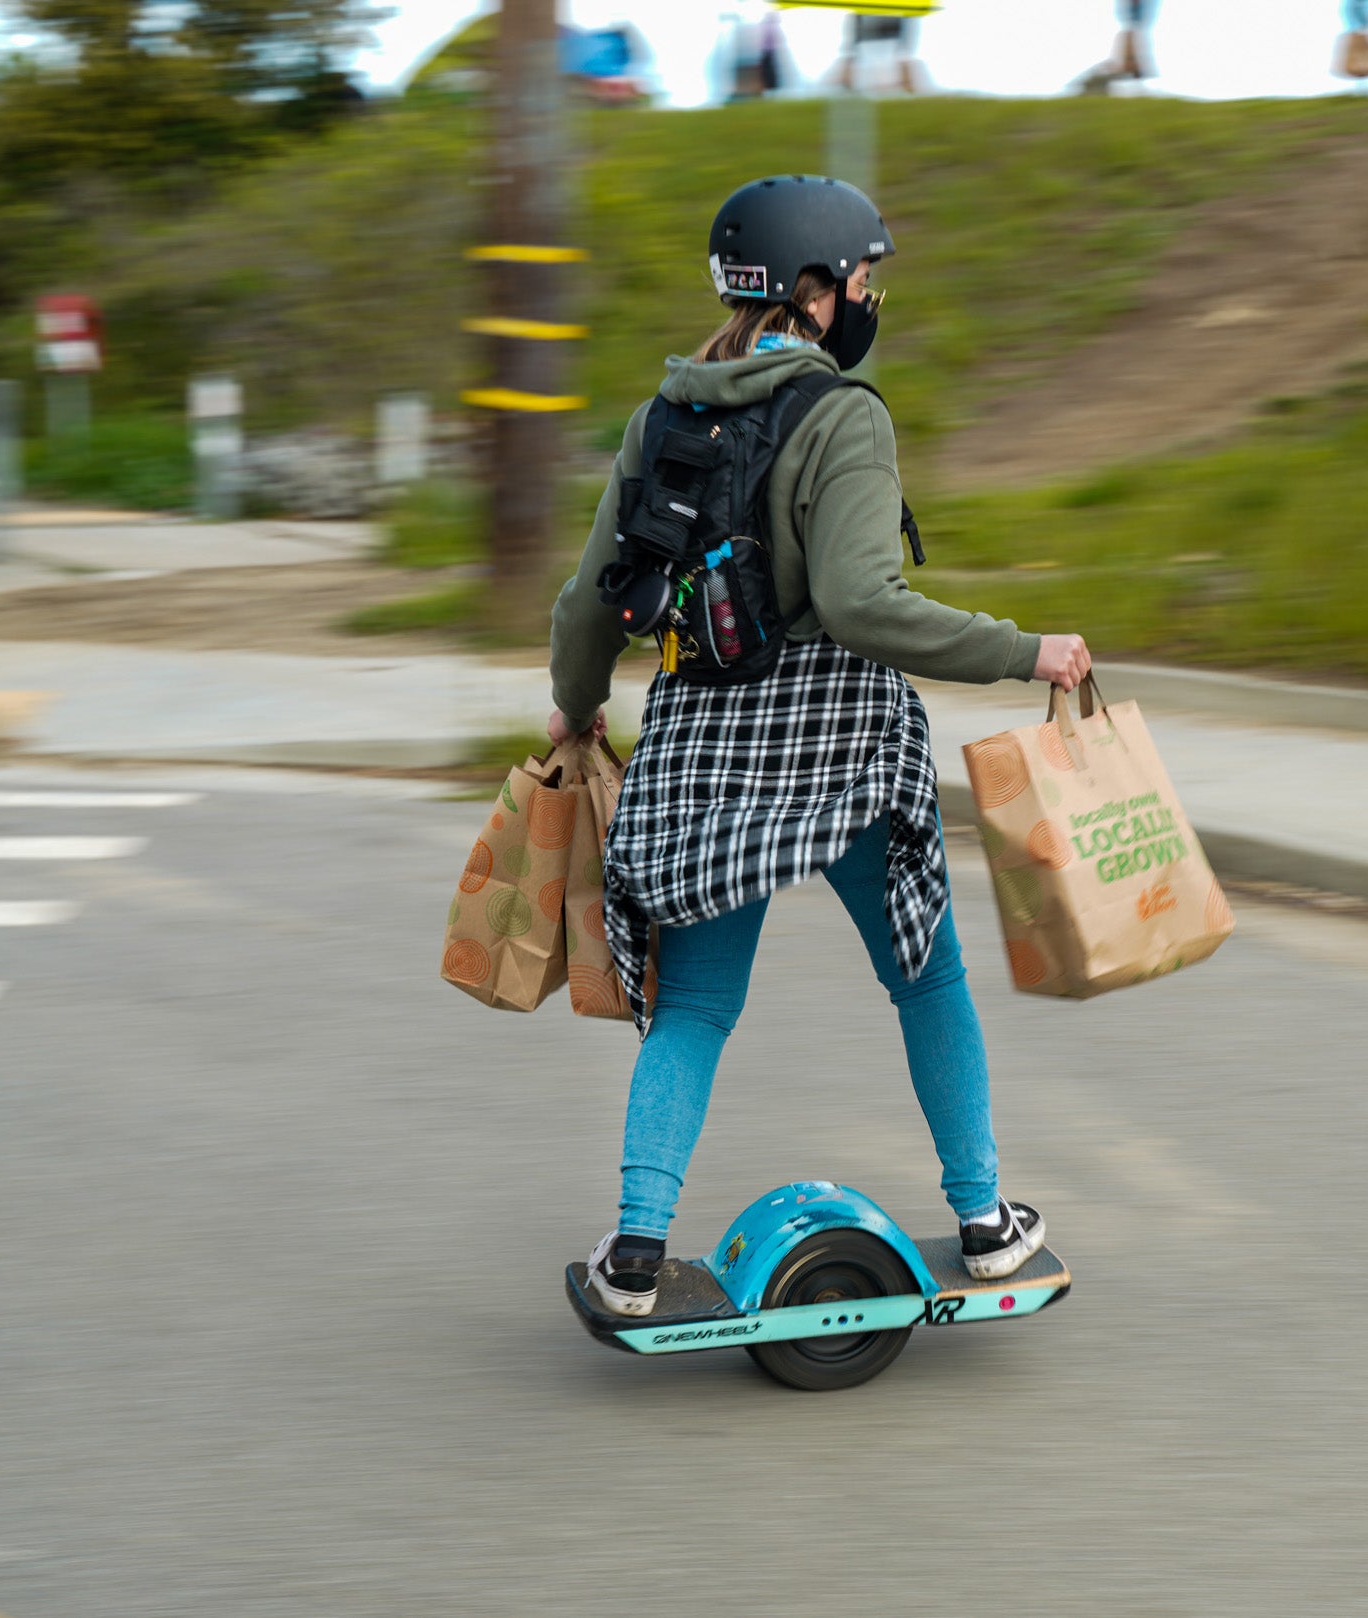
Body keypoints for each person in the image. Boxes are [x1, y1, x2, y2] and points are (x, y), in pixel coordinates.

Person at [547, 175, 1092, 1319]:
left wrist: (577, 704)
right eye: (861, 276)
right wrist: (1025, 650)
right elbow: (862, 602)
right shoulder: (844, 415)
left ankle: (638, 1255)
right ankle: (987, 1224)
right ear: (813, 291)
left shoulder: (664, 417)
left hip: (701, 739)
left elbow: (588, 604)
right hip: (841, 739)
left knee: (694, 1009)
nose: (868, 294)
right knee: (925, 972)